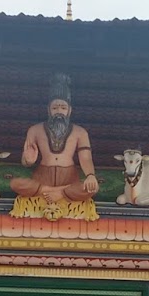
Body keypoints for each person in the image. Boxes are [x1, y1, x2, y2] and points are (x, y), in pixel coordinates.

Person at [12, 73, 99, 203]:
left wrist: (90, 176)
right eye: (55, 108)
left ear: (69, 110)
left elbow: (85, 158)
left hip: (69, 177)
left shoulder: (80, 132)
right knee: (15, 183)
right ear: (48, 110)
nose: (59, 111)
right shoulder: (35, 130)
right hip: (42, 176)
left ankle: (58, 192)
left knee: (93, 188)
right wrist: (28, 160)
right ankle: (56, 191)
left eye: (63, 108)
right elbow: (25, 162)